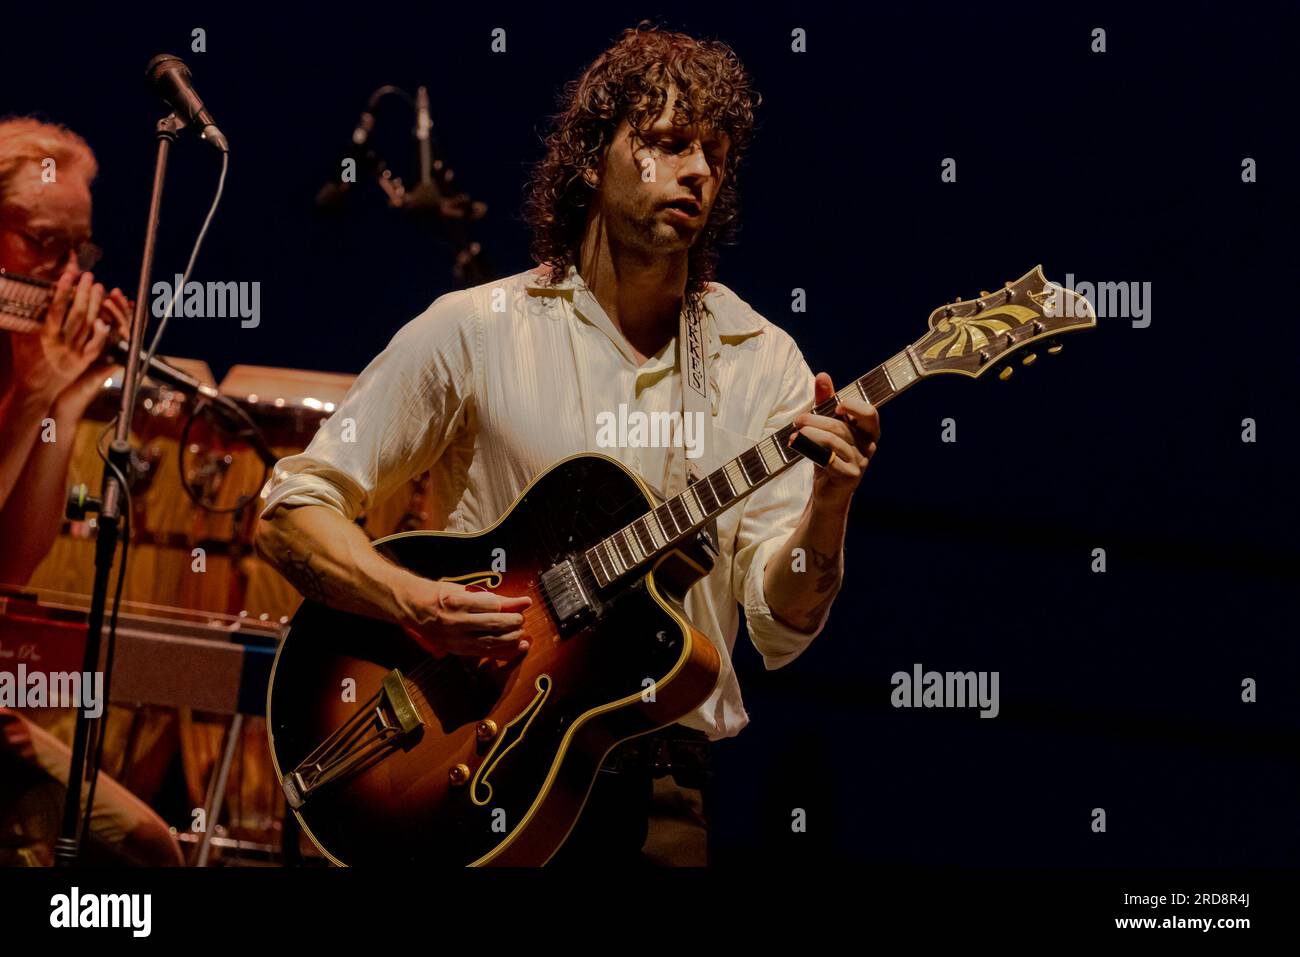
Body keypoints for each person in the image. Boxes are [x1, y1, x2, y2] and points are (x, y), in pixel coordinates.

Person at [255, 24, 880, 866]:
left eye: (714, 152)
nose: (697, 168)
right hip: (471, 769)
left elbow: (782, 626)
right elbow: (293, 508)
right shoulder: (473, 331)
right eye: (664, 143)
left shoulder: (763, 362)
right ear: (592, 159)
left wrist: (831, 506)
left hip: (663, 792)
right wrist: (416, 603)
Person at [0, 116, 183, 866]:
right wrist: (29, 399)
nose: (67, 274)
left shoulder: (20, 362)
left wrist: (65, 401)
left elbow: (11, 564)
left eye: (78, 250)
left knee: (146, 847)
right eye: (43, 242)